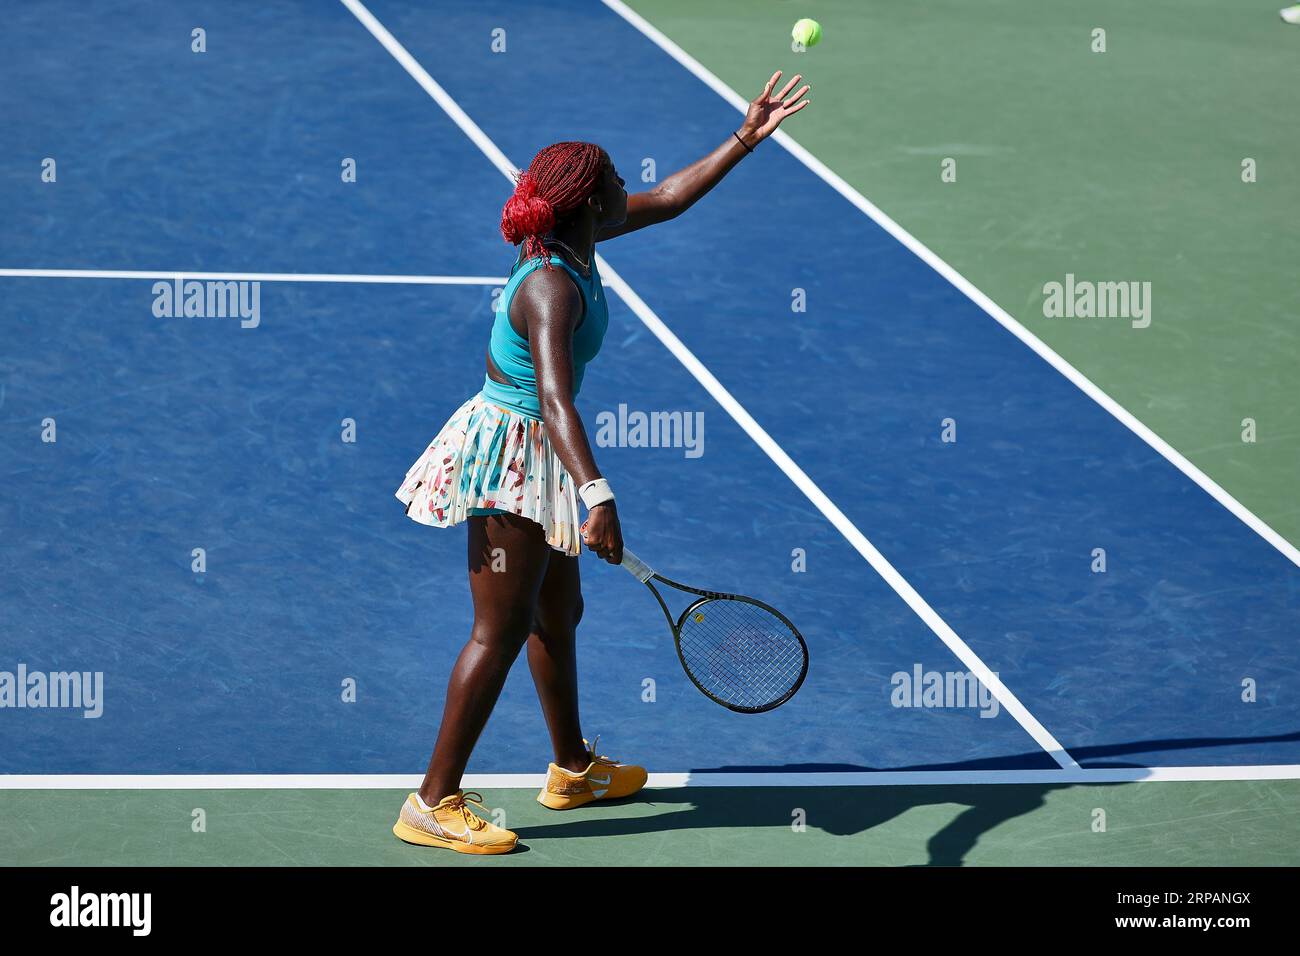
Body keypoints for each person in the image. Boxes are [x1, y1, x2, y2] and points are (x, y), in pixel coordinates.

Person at [391, 72, 811, 854]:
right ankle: (432, 799)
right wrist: (599, 494)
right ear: (588, 202)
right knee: (501, 626)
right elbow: (555, 401)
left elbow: (674, 197)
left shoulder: (579, 240)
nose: (628, 184)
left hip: (541, 449)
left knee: (558, 612)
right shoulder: (551, 282)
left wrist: (746, 136)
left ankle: (572, 768)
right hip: (513, 454)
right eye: (615, 179)